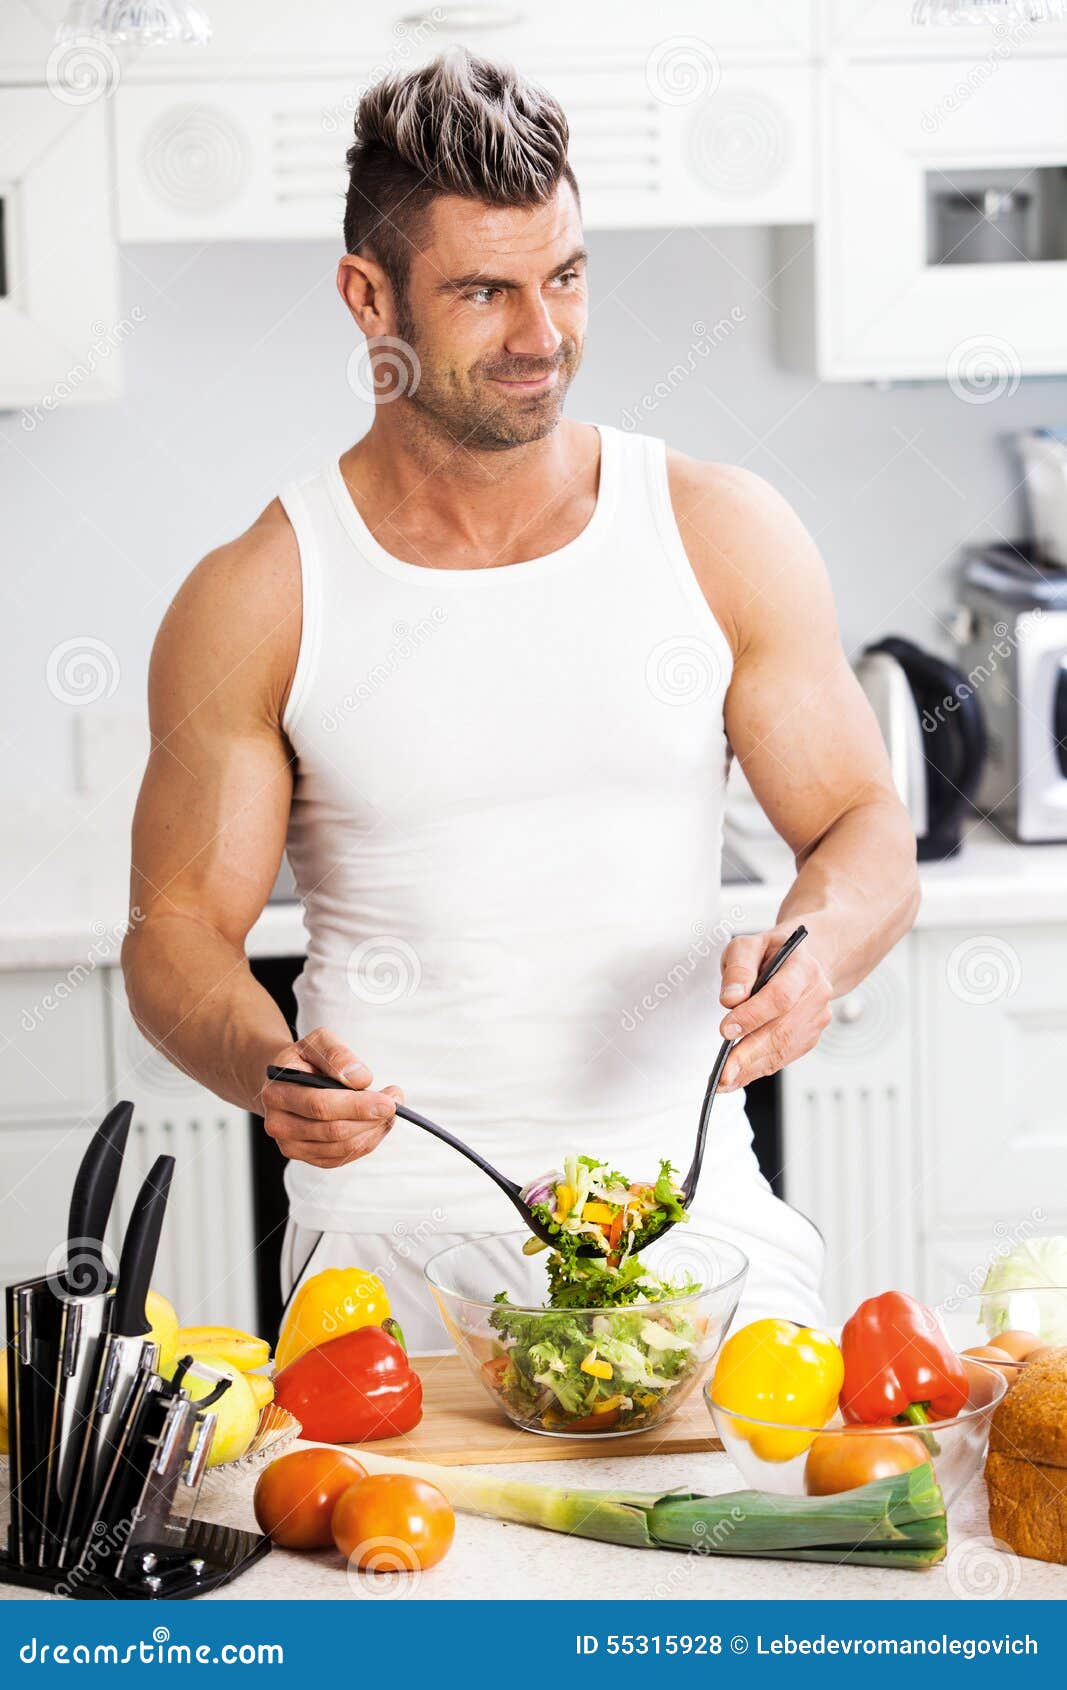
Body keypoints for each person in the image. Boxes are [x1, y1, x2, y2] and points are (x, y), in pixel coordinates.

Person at [122, 49, 919, 1350]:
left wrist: (814, 950)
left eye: (566, 275)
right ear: (367, 297)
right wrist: (261, 1066)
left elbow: (861, 823)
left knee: (786, 1525)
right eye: (486, 291)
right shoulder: (262, 595)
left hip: (688, 1205)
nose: (543, 336)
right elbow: (172, 934)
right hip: (383, 1234)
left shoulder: (722, 533)